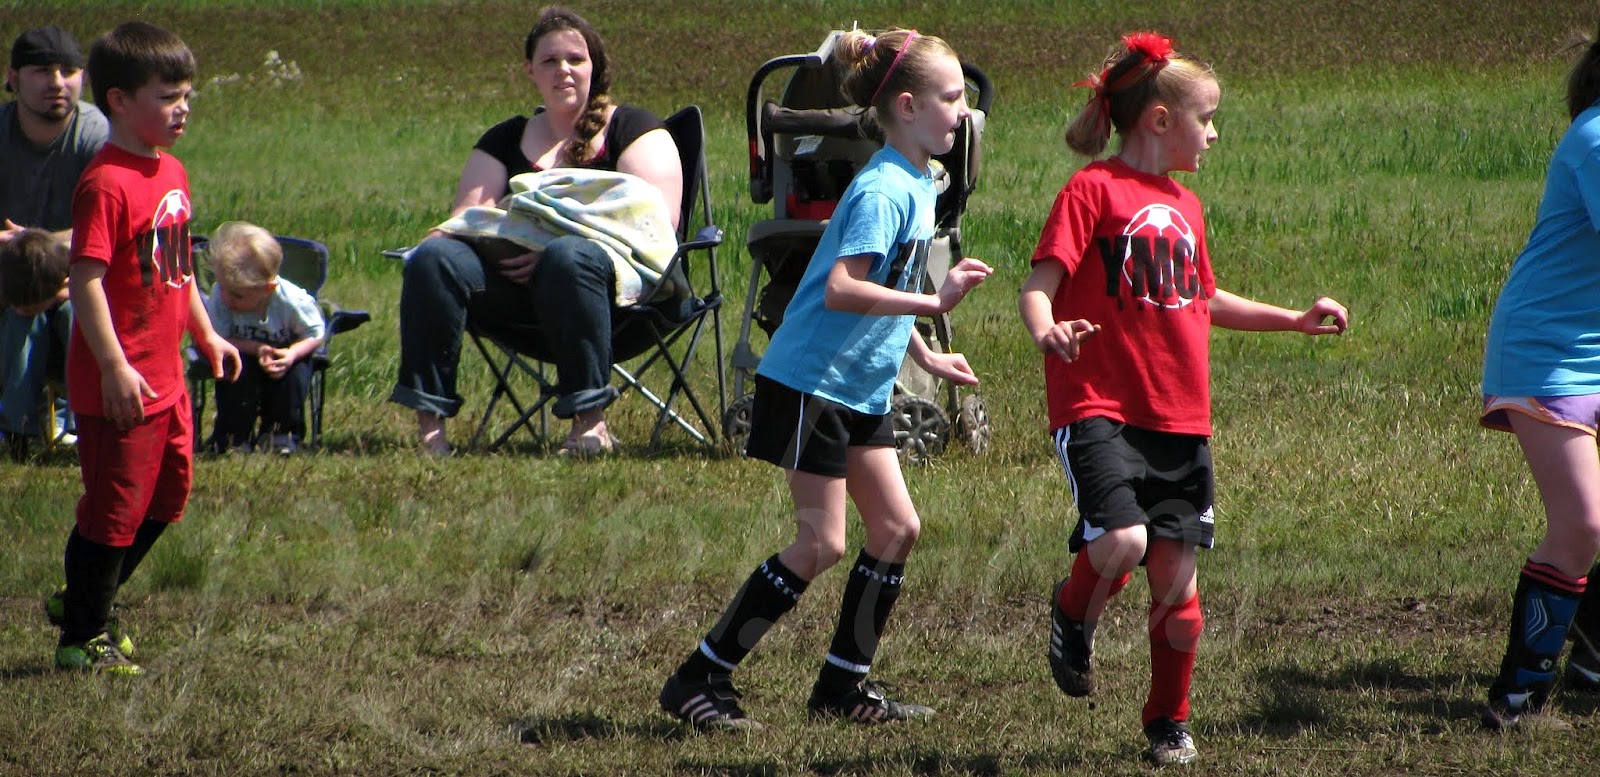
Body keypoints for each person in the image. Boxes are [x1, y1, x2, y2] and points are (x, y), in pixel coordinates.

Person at [1018, 32, 1348, 765]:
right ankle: (1073, 613)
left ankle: (1168, 718)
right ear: (1160, 120)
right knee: (1123, 543)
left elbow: (1206, 298)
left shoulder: (1187, 206)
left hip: (1180, 418)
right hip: (1098, 404)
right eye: (1207, 117)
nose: (1214, 132)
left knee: (1177, 584)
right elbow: (1038, 285)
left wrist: (1292, 319)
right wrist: (1048, 330)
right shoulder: (1090, 191)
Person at [659, 28, 992, 731]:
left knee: (897, 528)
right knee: (821, 544)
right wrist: (934, 304)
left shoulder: (916, 179)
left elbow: (887, 285)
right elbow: (843, 288)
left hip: (856, 385)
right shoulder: (880, 188)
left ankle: (841, 688)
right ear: (905, 105)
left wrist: (926, 355)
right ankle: (699, 677)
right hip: (812, 380)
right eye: (951, 97)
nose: (962, 112)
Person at [390, 5, 682, 456]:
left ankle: (590, 426)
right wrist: (453, 240)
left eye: (575, 59)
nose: (563, 70)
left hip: (620, 301)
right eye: (549, 61)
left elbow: (656, 225)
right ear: (530, 70)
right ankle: (431, 433)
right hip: (513, 297)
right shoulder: (504, 140)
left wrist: (550, 246)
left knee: (568, 257)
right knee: (433, 258)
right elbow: (467, 219)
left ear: (594, 67)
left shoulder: (634, 129)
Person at [53, 21, 240, 674]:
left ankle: (85, 598)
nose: (183, 107)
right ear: (119, 101)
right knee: (113, 510)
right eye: (167, 96)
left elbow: (176, 267)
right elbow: (85, 281)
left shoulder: (173, 169)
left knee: (165, 499)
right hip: (122, 382)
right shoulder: (105, 182)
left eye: (187, 94)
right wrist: (113, 365)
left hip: (169, 375)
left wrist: (205, 332)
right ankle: (82, 636)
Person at [1477, 24, 1600, 732]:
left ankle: (1591, 649)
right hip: (1549, 352)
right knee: (1580, 523)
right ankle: (1517, 700)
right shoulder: (1597, 134)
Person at [0, 26, 109, 454]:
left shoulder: (97, 135)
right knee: (22, 309)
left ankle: (81, 425)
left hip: (78, 269)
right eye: (42, 71)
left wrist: (32, 245)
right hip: (6, 270)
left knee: (69, 309)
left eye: (68, 70)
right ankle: (17, 429)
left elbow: (110, 223)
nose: (57, 83)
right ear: (13, 78)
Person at [202, 221, 325, 455]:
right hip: (240, 350)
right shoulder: (222, 295)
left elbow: (315, 332)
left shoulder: (292, 302)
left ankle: (281, 434)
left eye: (237, 295)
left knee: (293, 376)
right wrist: (257, 348)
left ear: (267, 289)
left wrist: (291, 354)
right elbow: (219, 337)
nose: (227, 298)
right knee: (234, 371)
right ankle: (232, 437)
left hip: (285, 351)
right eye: (223, 287)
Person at [0, 228, 72, 458]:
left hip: (67, 349)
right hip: (20, 349)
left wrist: (67, 292)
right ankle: (17, 427)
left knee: (75, 312)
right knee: (22, 322)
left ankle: (84, 417)